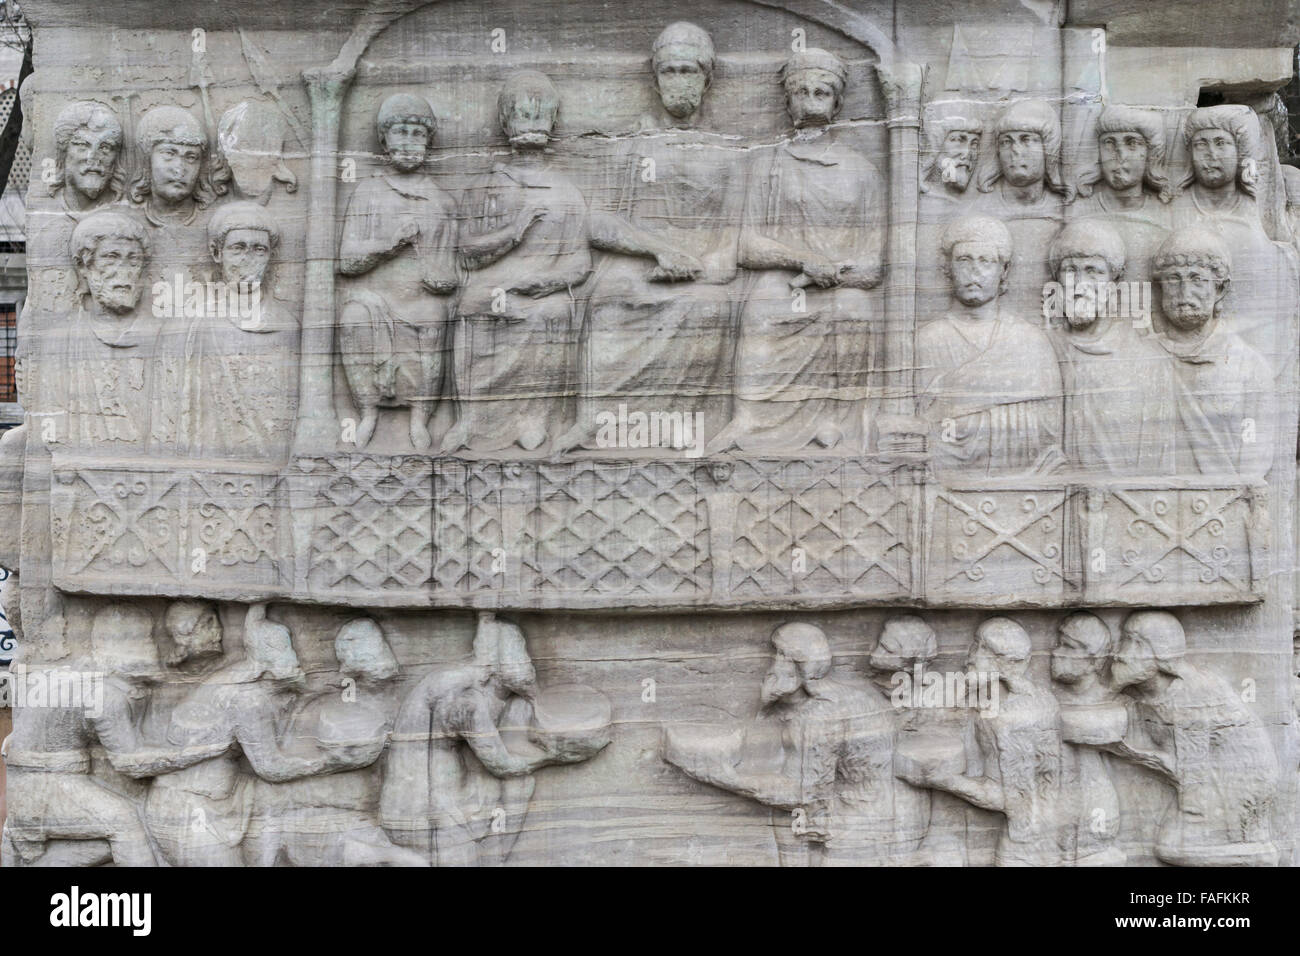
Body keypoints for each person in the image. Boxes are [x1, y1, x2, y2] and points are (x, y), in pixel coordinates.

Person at [554, 22, 742, 454]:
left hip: (698, 273)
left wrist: (703, 266)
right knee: (610, 302)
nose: (679, 81)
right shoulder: (631, 144)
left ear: (707, 78)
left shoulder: (729, 152)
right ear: (656, 79)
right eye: (670, 71)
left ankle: (678, 424)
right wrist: (656, 249)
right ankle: (597, 423)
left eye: (689, 71)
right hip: (635, 263)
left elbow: (732, 236)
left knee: (709, 307)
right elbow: (595, 223)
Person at [708, 49, 884, 454]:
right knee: (763, 308)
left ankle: (837, 421)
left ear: (838, 103)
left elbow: (873, 265)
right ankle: (750, 419)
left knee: (855, 310)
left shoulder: (861, 171)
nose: (810, 101)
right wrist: (802, 261)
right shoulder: (767, 164)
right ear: (788, 101)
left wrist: (832, 272)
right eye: (801, 92)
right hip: (784, 278)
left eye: (821, 93)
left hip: (840, 285)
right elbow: (746, 244)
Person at [666, 622, 903, 865]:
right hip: (872, 810)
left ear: (794, 664)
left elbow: (802, 793)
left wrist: (722, 776)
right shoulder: (849, 695)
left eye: (779, 654)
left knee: (783, 814)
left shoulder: (818, 716)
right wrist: (769, 706)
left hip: (859, 826)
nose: (772, 664)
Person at [380, 612, 596, 865]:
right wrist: (554, 756)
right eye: (520, 654)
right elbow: (501, 764)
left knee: (520, 788)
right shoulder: (468, 701)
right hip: (418, 808)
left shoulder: (475, 688)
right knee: (467, 855)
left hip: (448, 790)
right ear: (497, 663)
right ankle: (377, 854)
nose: (528, 664)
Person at [1108, 609, 1278, 865]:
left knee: (1171, 847)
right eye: (1124, 640)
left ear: (1161, 653)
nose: (1120, 653)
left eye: (1135, 643)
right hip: (1206, 783)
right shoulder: (1149, 693)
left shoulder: (1193, 694)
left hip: (1235, 786)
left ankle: (1257, 855)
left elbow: (1191, 774)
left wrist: (1131, 753)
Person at [337, 93, 458, 450]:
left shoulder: (441, 202)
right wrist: (389, 244)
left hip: (419, 300)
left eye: (417, 134)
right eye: (400, 132)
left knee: (434, 317)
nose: (408, 142)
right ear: (385, 139)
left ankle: (420, 419)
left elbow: (451, 274)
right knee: (353, 318)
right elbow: (346, 261)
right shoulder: (368, 193)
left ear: (429, 142)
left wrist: (438, 277)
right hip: (374, 299)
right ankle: (369, 412)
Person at [898, 617, 1069, 866]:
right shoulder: (986, 702)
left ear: (1005, 664)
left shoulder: (1016, 716)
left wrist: (943, 780)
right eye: (975, 644)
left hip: (1026, 848)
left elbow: (1014, 801)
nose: (971, 655)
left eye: (983, 649)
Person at [917, 215, 1063, 476]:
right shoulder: (928, 340)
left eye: (986, 261)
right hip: (945, 478)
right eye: (964, 260)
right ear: (947, 268)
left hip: (1021, 482)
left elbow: (1050, 431)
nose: (974, 271)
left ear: (1003, 271)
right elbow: (919, 423)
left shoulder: (1030, 341)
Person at [1047, 219, 1174, 476]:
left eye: (1093, 270)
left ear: (1114, 282)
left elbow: (1160, 460)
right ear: (1057, 280)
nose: (1080, 283)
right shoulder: (1045, 350)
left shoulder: (1147, 360)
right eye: (1070, 270)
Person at [1151, 228, 1273, 480]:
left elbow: (1254, 445)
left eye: (1197, 279)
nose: (1184, 293)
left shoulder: (1248, 367)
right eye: (1174, 279)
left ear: (1220, 289)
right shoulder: (1145, 358)